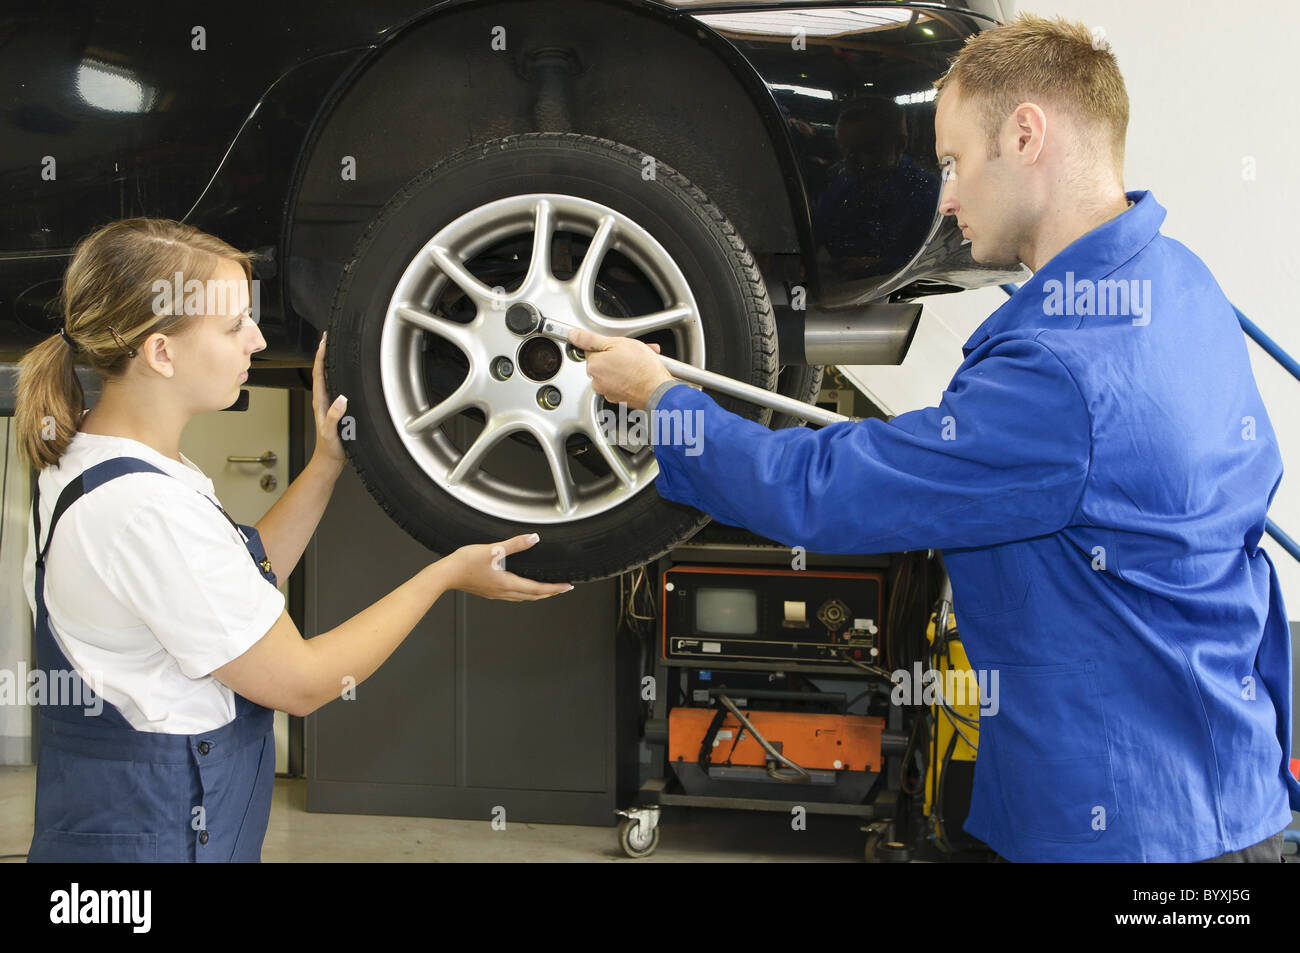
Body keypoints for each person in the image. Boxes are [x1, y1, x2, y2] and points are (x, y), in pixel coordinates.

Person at [568, 14, 1300, 862]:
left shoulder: (1060, 371)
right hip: (1229, 792)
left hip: (1130, 831)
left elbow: (826, 491)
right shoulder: (1181, 282)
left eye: (952, 161)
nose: (945, 197)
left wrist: (664, 403)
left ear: (1026, 135)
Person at [15, 217, 572, 863]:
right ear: (160, 352)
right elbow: (302, 682)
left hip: (126, 821)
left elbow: (232, 591)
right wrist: (442, 576)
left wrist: (324, 462)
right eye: (232, 326)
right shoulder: (144, 509)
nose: (256, 338)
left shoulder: (96, 459)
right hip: (153, 840)